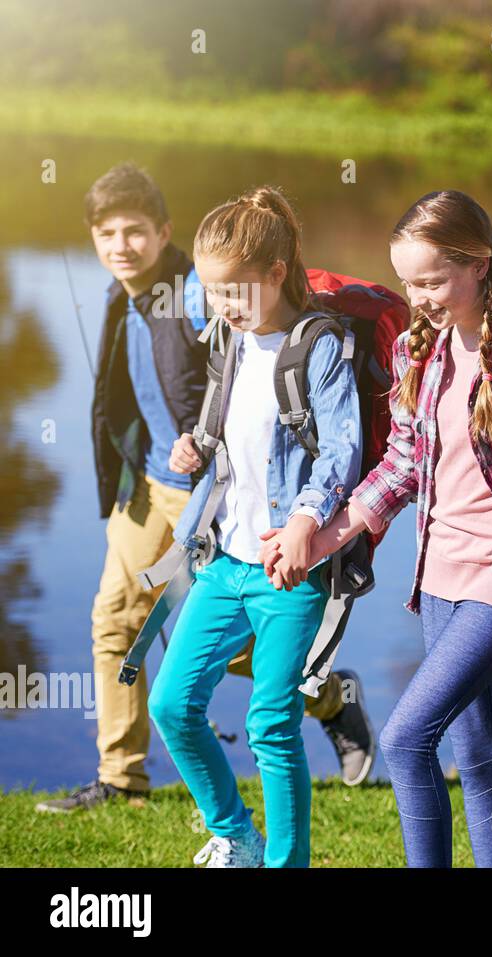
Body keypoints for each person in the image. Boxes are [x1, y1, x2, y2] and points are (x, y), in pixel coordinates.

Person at [36, 165, 375, 816]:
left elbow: (252, 330)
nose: (121, 245)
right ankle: (122, 775)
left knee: (246, 649)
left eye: (135, 231)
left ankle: (330, 696)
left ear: (165, 232)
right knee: (116, 620)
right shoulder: (121, 293)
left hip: (218, 499)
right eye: (106, 233)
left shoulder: (201, 292)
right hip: (154, 487)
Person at [304, 190, 492, 867]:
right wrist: (325, 534)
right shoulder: (419, 348)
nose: (419, 296)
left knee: (406, 738)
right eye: (408, 281)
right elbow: (401, 465)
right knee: (480, 752)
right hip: (439, 574)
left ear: (480, 263)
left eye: (432, 280)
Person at [146, 186, 362, 867]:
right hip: (222, 560)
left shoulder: (319, 348)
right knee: (172, 704)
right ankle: (235, 832)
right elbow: (227, 435)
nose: (221, 307)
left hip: (288, 568)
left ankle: (286, 862)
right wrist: (194, 446)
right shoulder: (229, 340)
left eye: (234, 292)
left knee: (271, 723)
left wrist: (305, 518)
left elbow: (340, 448)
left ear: (277, 272)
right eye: (212, 293)